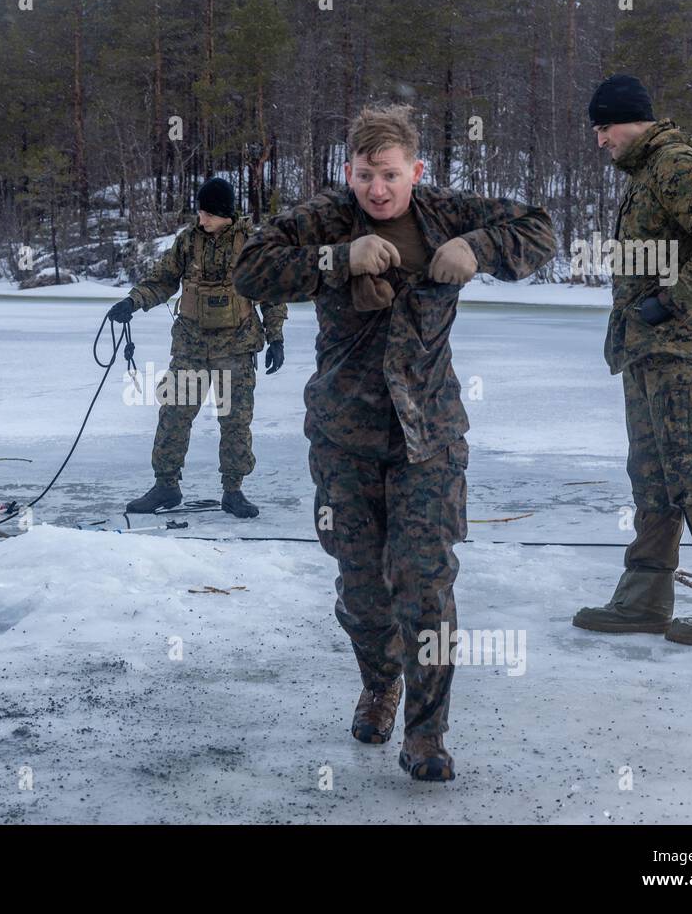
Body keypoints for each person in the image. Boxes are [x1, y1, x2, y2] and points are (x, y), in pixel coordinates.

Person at [233, 104, 555, 780]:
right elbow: (250, 268)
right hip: (344, 440)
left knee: (425, 585)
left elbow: (538, 228)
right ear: (347, 171)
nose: (377, 189)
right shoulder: (326, 217)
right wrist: (337, 258)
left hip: (428, 438)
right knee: (360, 585)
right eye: (364, 174)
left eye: (389, 174)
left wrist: (479, 248)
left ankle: (427, 734)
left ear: (416, 170)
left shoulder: (444, 212)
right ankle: (380, 684)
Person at [573, 74, 692, 645]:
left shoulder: (675, 164)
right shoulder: (644, 174)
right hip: (645, 350)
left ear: (628, 120)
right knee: (652, 472)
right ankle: (645, 595)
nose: (600, 141)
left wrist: (673, 301)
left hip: (680, 349)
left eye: (603, 128)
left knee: (689, 469)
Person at [106, 178, 287, 519]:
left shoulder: (251, 243)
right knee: (173, 415)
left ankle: (233, 491)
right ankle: (166, 485)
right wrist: (133, 302)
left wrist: (276, 338)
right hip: (190, 345)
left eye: (207, 214)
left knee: (234, 422)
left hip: (236, 346)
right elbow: (162, 280)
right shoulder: (188, 241)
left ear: (225, 214)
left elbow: (271, 292)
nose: (201, 219)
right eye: (200, 212)